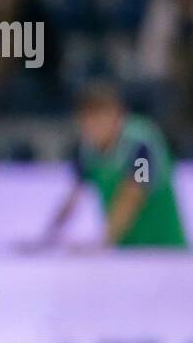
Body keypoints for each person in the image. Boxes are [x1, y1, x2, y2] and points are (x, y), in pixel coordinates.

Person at [35, 83, 186, 250]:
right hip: (127, 249)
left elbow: (135, 193)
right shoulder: (88, 150)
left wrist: (103, 241)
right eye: (88, 118)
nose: (94, 126)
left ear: (118, 116)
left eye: (101, 117)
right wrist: (47, 238)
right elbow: (72, 198)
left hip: (164, 248)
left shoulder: (141, 144)